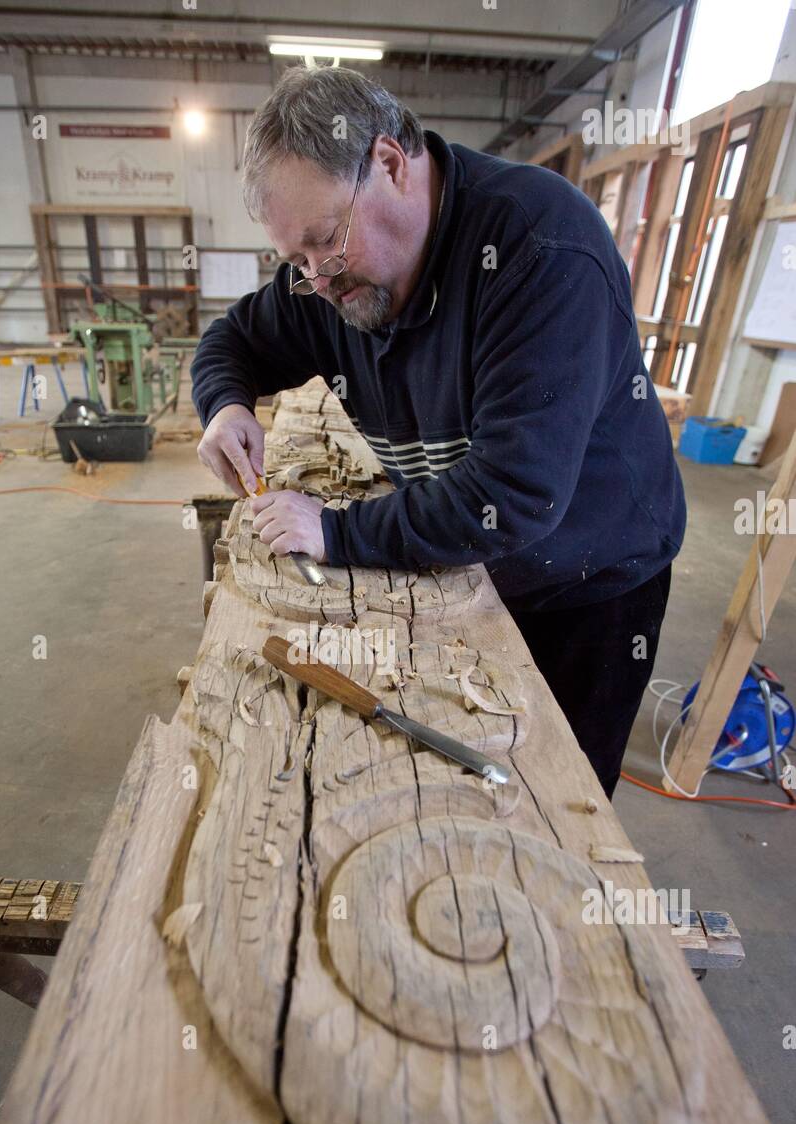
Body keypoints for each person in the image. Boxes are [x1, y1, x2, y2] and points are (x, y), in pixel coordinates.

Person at [191, 66, 686, 797]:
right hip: (464, 561)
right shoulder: (328, 279)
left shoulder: (536, 249)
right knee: (439, 782)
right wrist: (226, 406)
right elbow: (232, 341)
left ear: (389, 164)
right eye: (294, 260)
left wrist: (337, 533)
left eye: (325, 242)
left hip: (587, 578)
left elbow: (513, 494)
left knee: (551, 800)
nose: (317, 280)